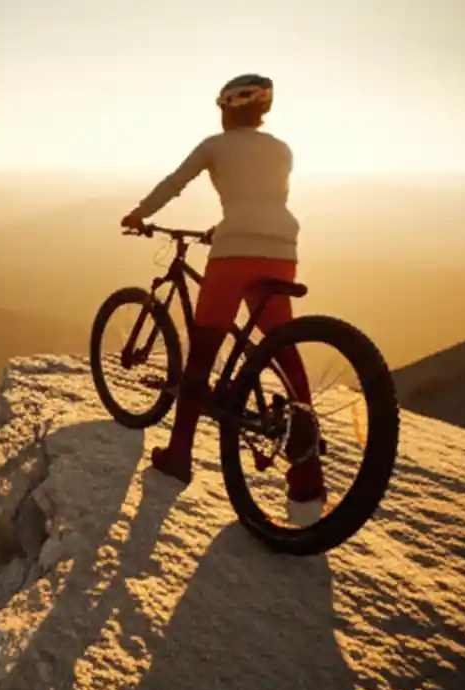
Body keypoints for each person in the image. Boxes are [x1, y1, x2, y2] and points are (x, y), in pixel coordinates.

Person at [120, 73, 325, 522]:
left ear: (228, 110)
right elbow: (269, 199)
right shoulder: (282, 149)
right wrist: (227, 226)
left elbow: (175, 182)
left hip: (234, 251)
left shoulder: (215, 144)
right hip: (282, 249)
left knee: (202, 355)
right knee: (284, 351)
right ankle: (308, 481)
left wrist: (140, 213)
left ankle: (178, 456)